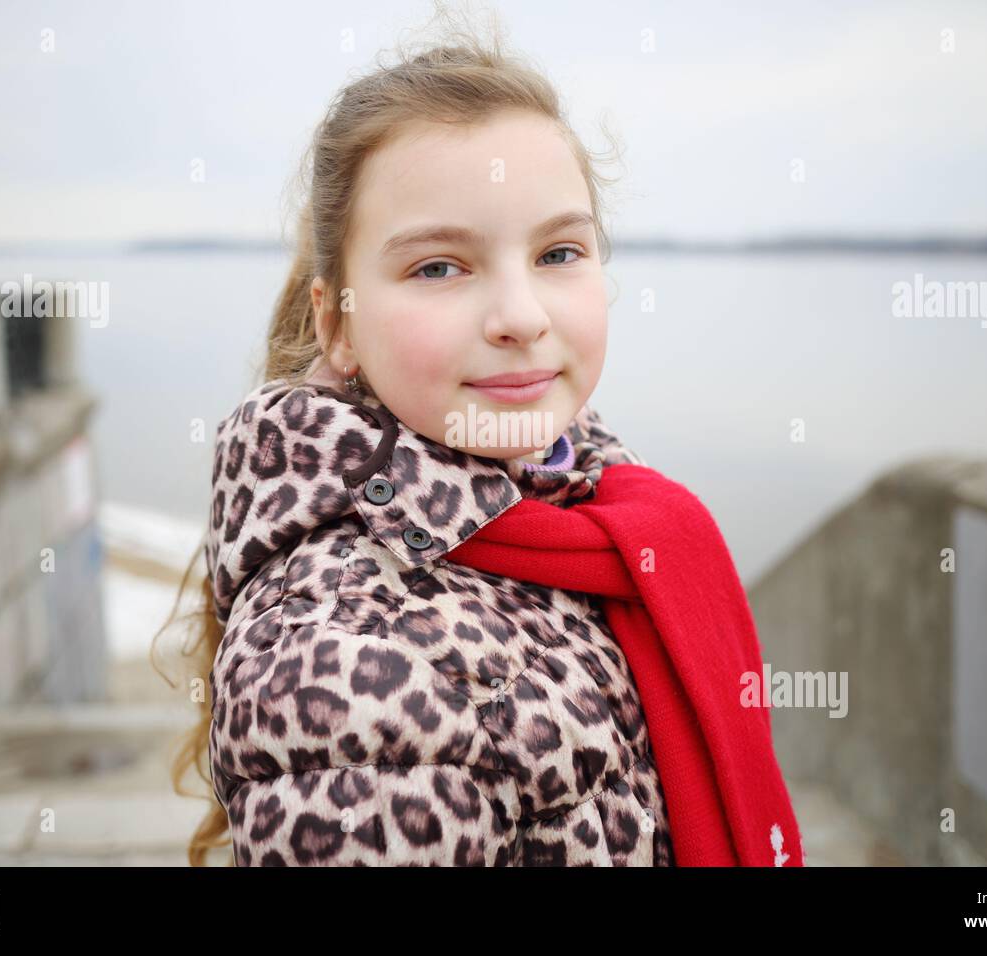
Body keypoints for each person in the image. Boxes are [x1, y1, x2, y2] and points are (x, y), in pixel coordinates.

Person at [160, 7, 798, 867]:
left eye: (559, 253)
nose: (520, 317)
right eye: (439, 268)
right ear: (338, 323)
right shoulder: (346, 660)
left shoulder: (586, 503)